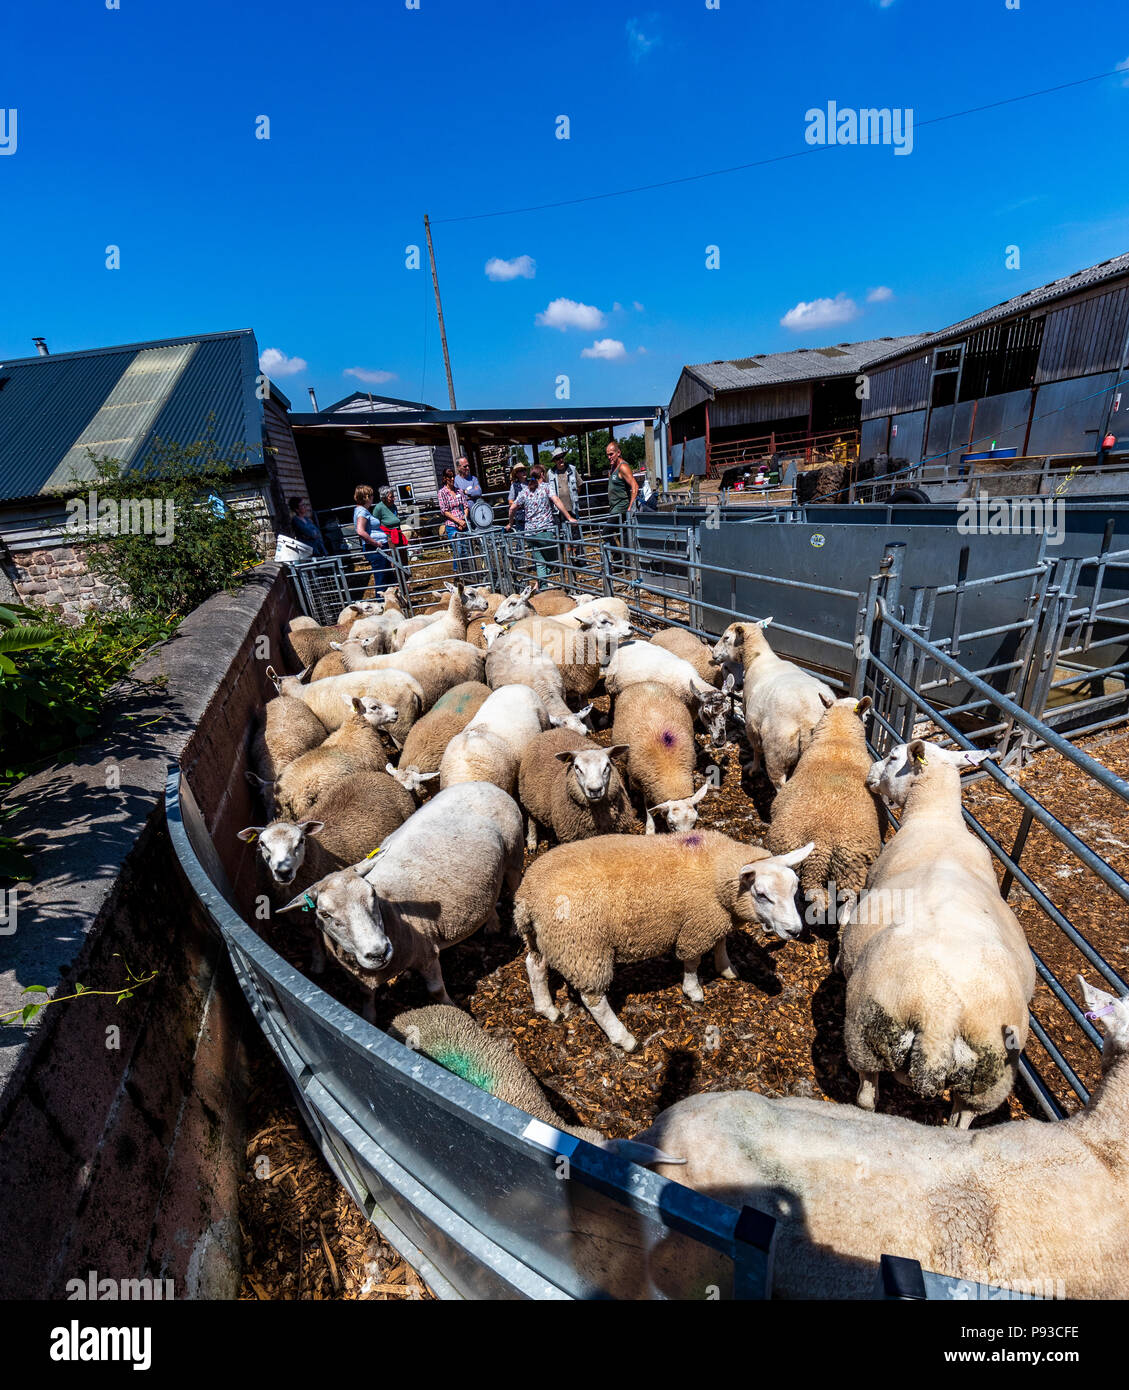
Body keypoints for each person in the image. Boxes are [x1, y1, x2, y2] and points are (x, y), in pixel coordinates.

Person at [511, 464, 577, 588]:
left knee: (540, 564)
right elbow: (556, 500)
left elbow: (512, 508)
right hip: (545, 531)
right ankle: (541, 584)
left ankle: (542, 588)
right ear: (542, 475)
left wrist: (510, 523)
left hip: (530, 534)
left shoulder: (525, 491)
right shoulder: (546, 487)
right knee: (555, 560)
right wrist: (569, 517)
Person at [605, 440, 639, 575]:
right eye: (607, 455)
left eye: (611, 454)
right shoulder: (613, 467)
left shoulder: (623, 467)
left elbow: (634, 486)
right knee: (624, 534)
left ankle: (619, 560)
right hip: (615, 507)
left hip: (621, 507)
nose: (609, 457)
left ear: (618, 452)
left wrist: (630, 506)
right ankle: (627, 562)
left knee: (606, 532)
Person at [546, 446, 583, 570]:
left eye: (561, 457)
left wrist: (574, 497)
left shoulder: (572, 469)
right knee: (560, 535)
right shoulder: (550, 473)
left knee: (575, 534)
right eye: (557, 458)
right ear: (554, 461)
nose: (560, 460)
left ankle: (578, 559)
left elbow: (579, 485)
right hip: (557, 511)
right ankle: (561, 561)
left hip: (571, 508)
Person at [353, 484, 391, 590]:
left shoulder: (363, 510)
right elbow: (360, 531)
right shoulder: (361, 512)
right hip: (375, 549)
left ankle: (391, 603)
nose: (373, 497)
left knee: (386, 577)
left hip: (378, 548)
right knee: (382, 579)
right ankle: (381, 604)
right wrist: (375, 543)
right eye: (371, 495)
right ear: (366, 497)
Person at [437, 466, 472, 576]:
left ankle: (468, 573)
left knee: (466, 550)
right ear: (445, 478)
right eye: (449, 477)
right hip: (452, 525)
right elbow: (445, 511)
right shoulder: (442, 493)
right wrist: (458, 521)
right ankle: (458, 574)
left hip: (463, 523)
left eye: (453, 477)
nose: (452, 479)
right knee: (458, 550)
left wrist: (463, 520)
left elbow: (466, 506)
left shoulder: (459, 491)